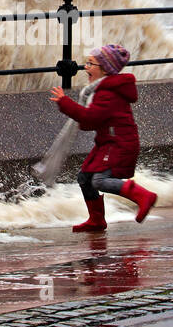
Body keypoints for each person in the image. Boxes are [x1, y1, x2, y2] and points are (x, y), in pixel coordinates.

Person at [48, 43, 157, 232]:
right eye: (87, 63)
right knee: (84, 177)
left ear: (105, 69)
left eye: (91, 64)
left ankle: (143, 196)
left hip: (119, 145)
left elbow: (90, 118)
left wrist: (65, 103)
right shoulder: (102, 90)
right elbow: (91, 123)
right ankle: (96, 219)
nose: (86, 68)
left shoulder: (108, 93)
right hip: (108, 144)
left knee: (99, 180)